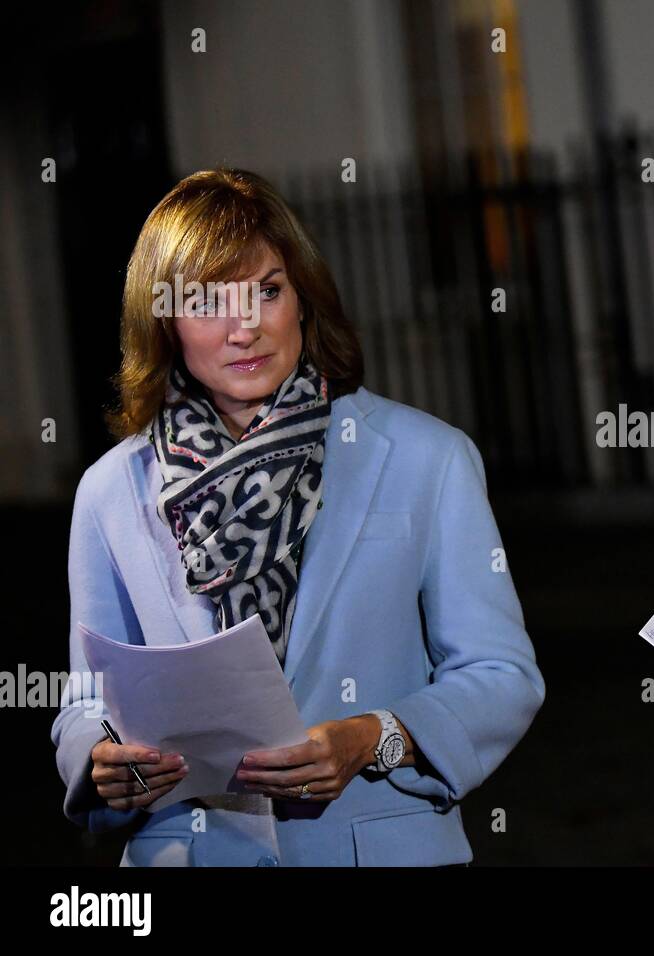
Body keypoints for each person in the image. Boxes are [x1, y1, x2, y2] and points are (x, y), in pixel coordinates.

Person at [50, 168, 545, 866]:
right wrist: (100, 758)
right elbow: (85, 699)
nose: (244, 325)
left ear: (303, 301)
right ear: (164, 323)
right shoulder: (109, 491)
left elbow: (501, 673)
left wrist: (374, 736)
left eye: (267, 290)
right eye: (207, 301)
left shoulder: (426, 458)